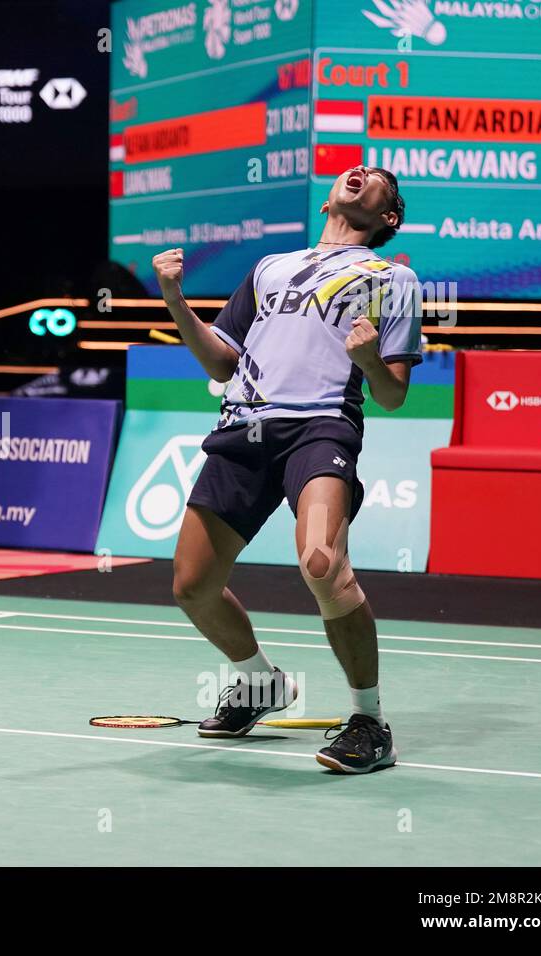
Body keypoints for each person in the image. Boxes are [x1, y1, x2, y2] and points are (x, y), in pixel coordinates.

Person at [154, 165, 421, 773]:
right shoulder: (270, 267)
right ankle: (257, 683)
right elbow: (223, 362)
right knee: (190, 584)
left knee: (322, 563)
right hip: (244, 425)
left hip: (320, 426)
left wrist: (368, 359)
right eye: (353, 171)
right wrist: (174, 299)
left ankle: (369, 721)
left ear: (389, 218)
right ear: (329, 198)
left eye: (375, 178)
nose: (359, 173)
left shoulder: (394, 279)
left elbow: (394, 393)